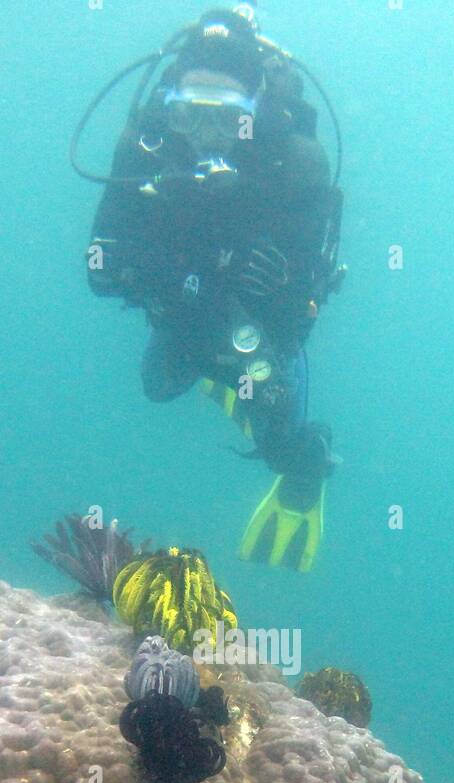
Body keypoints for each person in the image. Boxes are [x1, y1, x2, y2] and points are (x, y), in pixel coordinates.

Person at [84, 6, 345, 571]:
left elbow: (305, 305)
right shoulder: (147, 148)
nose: (204, 136)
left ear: (255, 112)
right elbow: (99, 269)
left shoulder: (294, 161)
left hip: (259, 328)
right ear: (168, 109)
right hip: (181, 311)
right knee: (157, 385)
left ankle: (301, 447)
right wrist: (160, 226)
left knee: (282, 444)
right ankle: (220, 378)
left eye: (224, 119)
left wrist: (275, 275)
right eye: (189, 117)